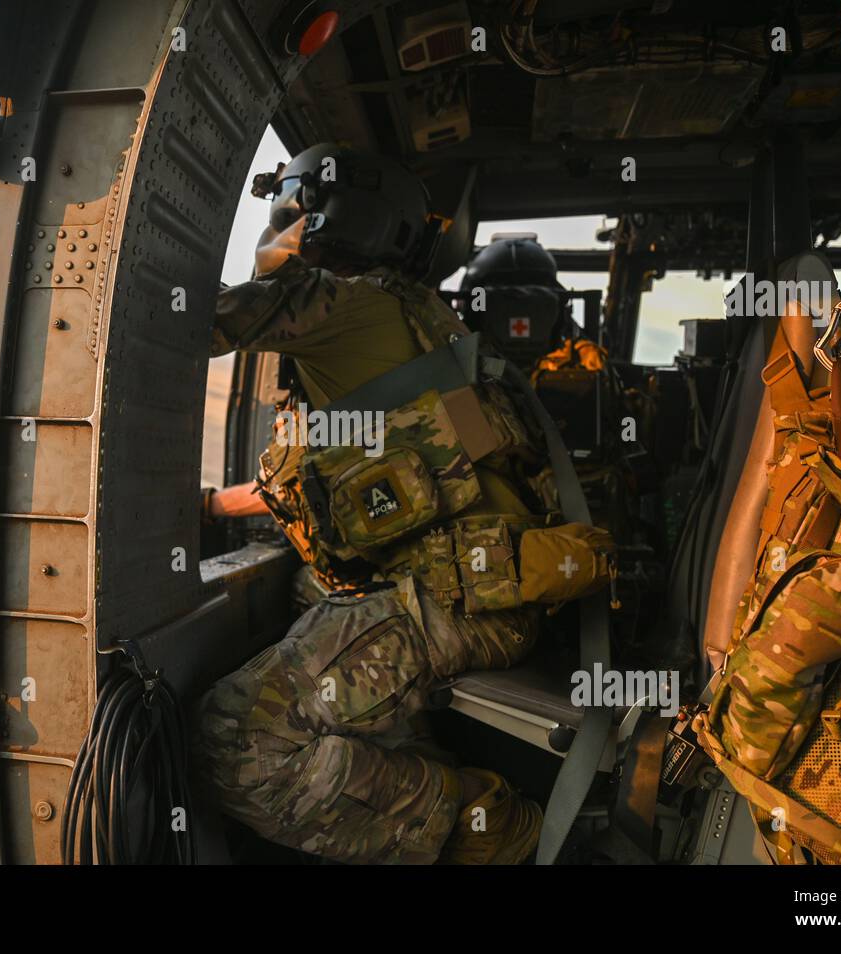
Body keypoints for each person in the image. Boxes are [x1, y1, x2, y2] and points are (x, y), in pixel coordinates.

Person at [193, 143, 614, 864]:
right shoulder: (423, 320)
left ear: (311, 210)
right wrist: (223, 509)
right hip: (491, 590)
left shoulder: (329, 301)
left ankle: (500, 830)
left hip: (457, 600)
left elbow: (185, 322)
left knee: (239, 744)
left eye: (288, 204)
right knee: (306, 589)